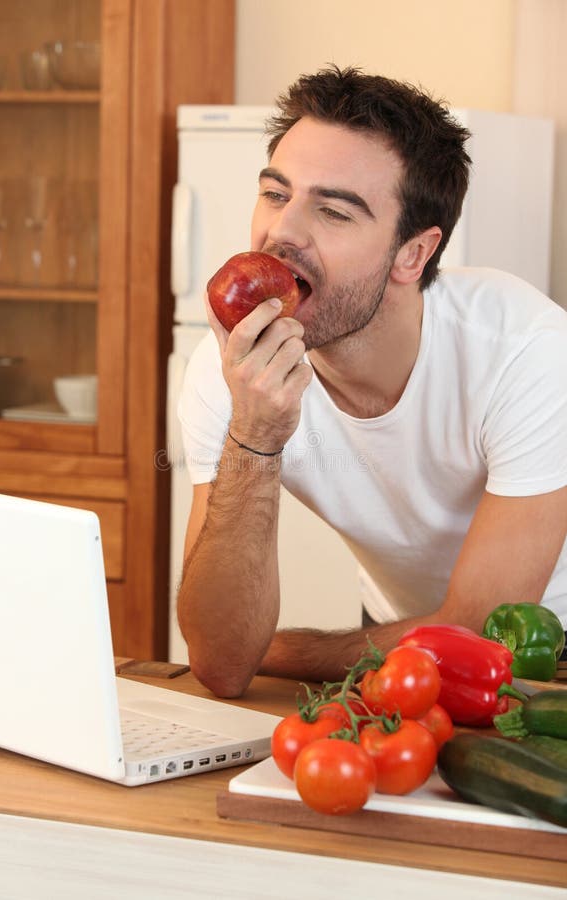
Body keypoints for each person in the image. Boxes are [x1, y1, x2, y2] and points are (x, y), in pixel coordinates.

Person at [176, 65, 567, 698]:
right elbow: (221, 663)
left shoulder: (527, 350)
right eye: (275, 194)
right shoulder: (230, 372)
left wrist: (273, 651)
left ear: (414, 253)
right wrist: (255, 436)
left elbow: (479, 631)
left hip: (543, 654)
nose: (282, 232)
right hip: (395, 640)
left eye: (333, 211)